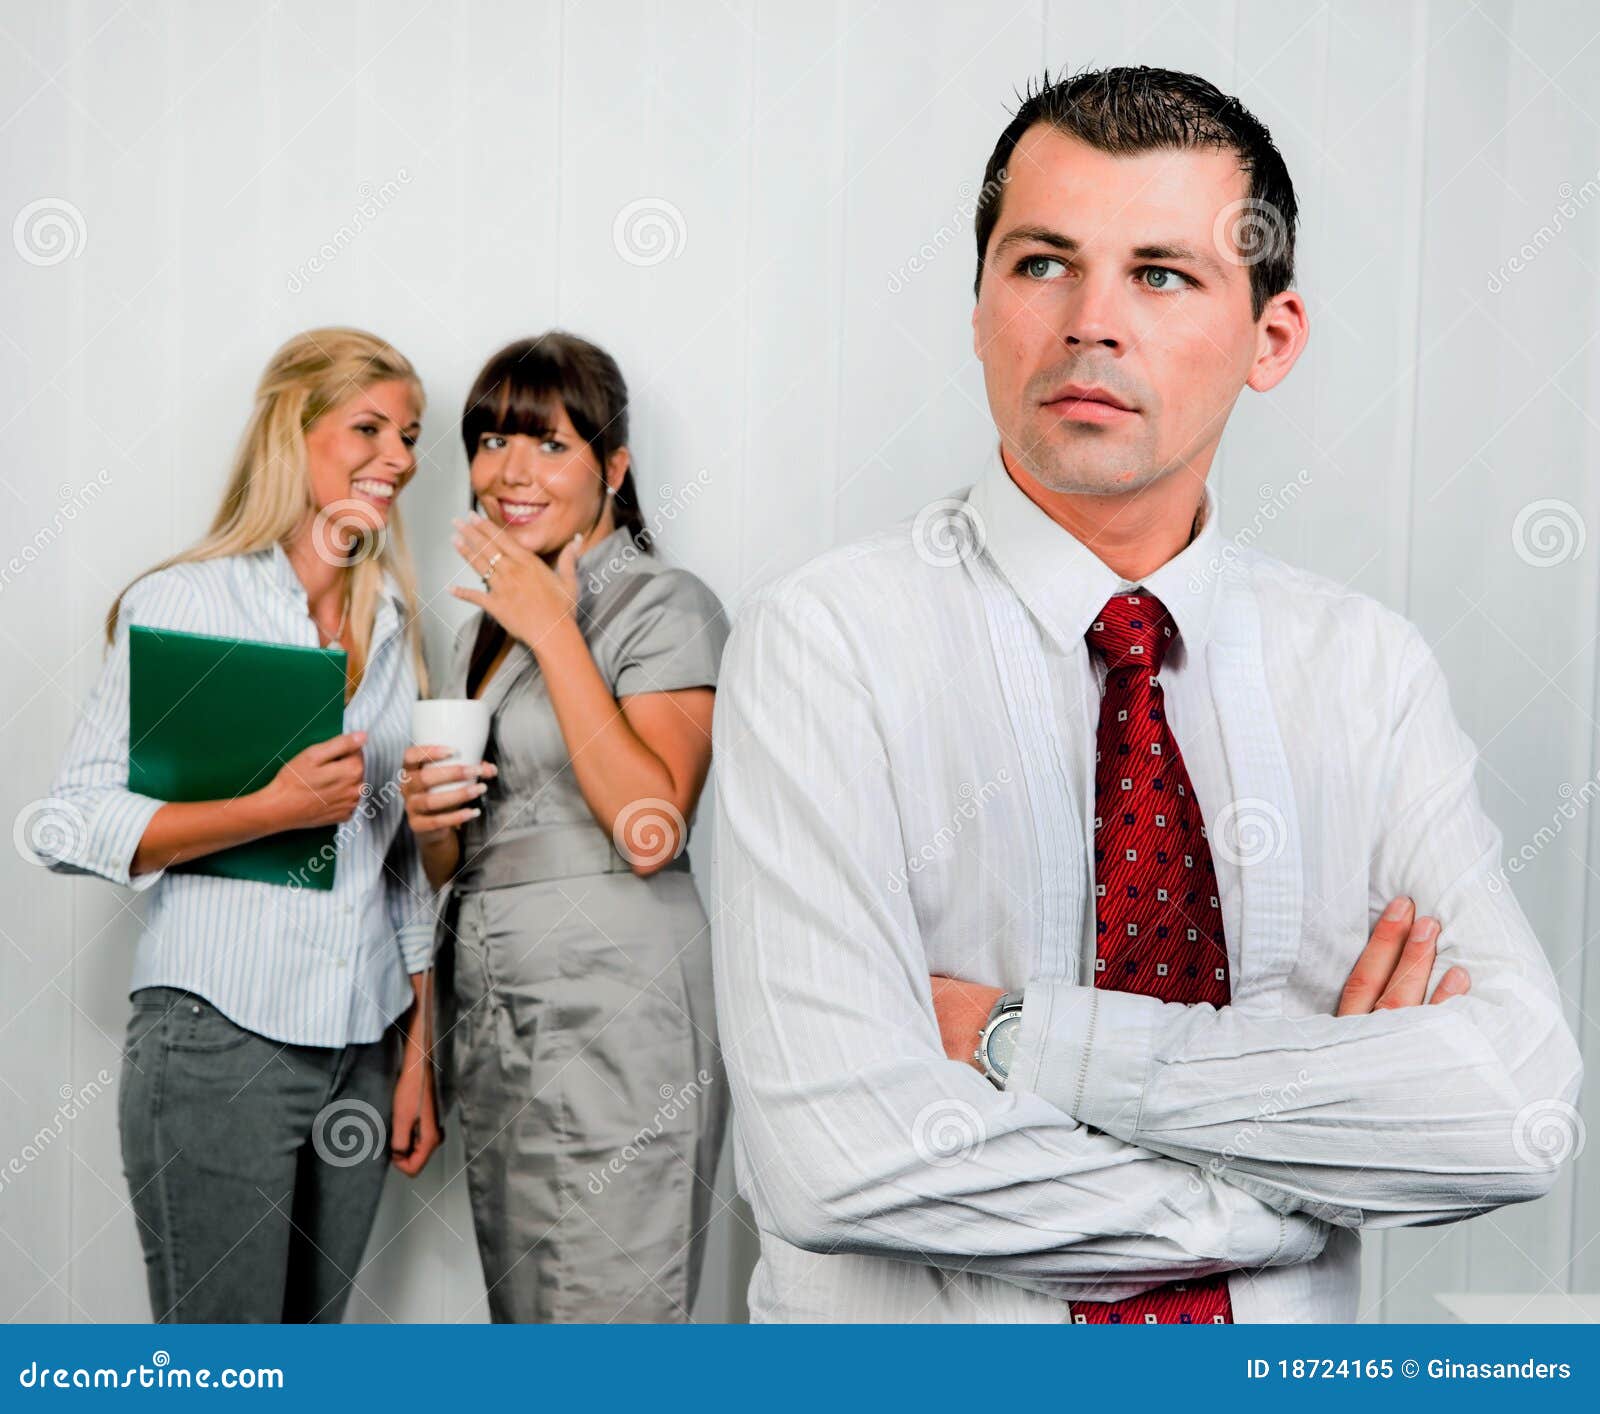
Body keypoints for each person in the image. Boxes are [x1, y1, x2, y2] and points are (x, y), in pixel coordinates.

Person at [709, 66, 1584, 1323]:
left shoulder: (1365, 672)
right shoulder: (827, 642)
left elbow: (1511, 1109)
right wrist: (1300, 1179)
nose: (1088, 322)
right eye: (1040, 264)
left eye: (1161, 273)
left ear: (1268, 338)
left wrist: (1026, 1040)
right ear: (977, 311)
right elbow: (838, 1162)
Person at [43, 327, 444, 1322]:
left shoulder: (395, 622)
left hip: (363, 1051)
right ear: (291, 428)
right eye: (369, 428)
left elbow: (398, 872)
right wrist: (271, 810)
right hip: (218, 1038)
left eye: (411, 435)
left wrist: (419, 1058)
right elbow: (67, 821)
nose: (398, 458)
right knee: (224, 1369)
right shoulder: (187, 602)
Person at [400, 331, 728, 1322]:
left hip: (615, 1004)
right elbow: (456, 859)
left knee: (608, 1309)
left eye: (549, 444)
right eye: (492, 440)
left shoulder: (664, 604)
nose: (510, 471)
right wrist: (427, 825)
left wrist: (555, 625)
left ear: (613, 468)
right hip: (494, 1010)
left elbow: (647, 830)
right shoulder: (474, 634)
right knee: (529, 1318)